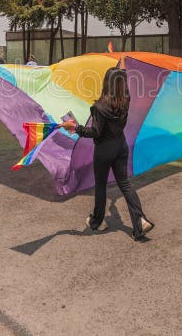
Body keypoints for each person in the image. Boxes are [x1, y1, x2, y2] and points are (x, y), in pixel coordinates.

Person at [61, 68, 154, 240]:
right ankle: (140, 220)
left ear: (107, 83)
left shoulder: (100, 107)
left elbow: (95, 132)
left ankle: (97, 221)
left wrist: (74, 128)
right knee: (125, 184)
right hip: (121, 145)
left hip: (104, 150)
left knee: (101, 185)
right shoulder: (125, 99)